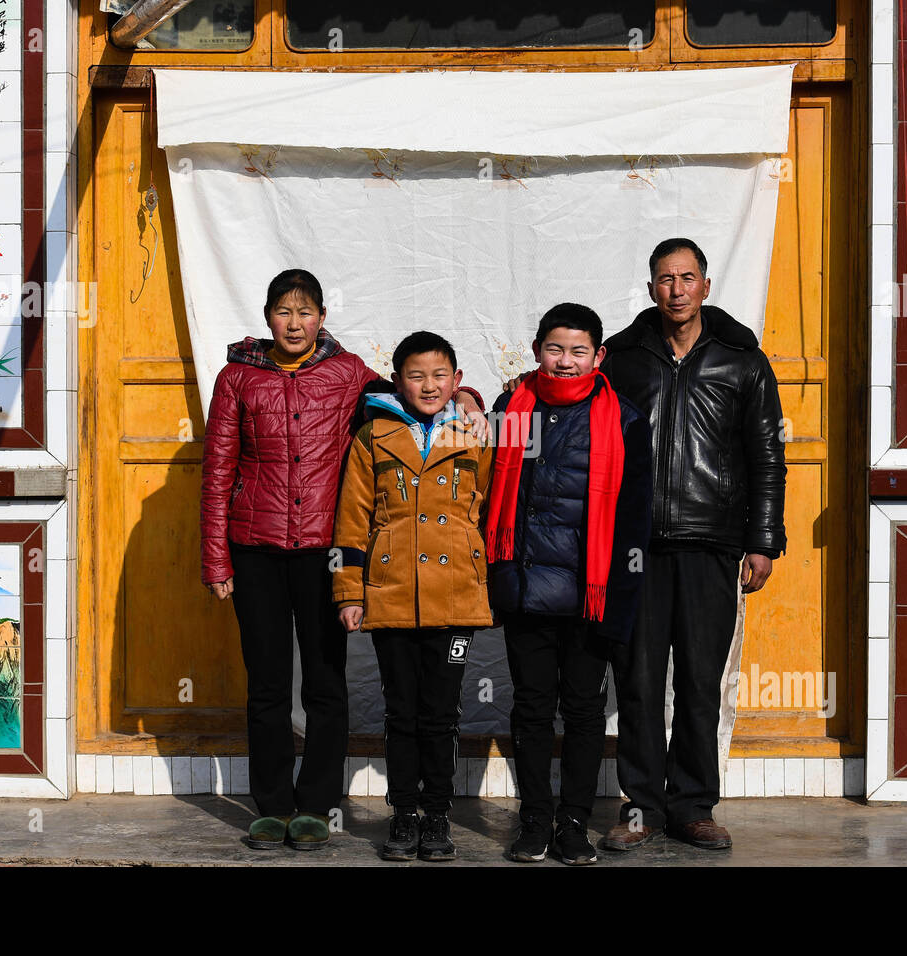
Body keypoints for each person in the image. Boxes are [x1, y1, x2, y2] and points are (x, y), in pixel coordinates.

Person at [200, 270, 484, 851]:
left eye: (306, 312)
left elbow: (406, 395)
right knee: (268, 684)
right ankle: (272, 805)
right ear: (268, 316)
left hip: (322, 551)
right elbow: (218, 467)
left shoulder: (347, 372)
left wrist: (466, 398)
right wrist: (216, 558)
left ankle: (317, 805)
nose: (296, 323)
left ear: (322, 316)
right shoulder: (237, 378)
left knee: (325, 684)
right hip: (254, 548)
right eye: (284, 311)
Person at [597, 238, 786, 852]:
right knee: (639, 682)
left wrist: (762, 541)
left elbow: (766, 457)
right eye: (664, 279)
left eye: (687, 277)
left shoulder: (743, 361)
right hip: (638, 545)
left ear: (706, 285)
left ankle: (693, 805)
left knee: (702, 681)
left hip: (712, 543)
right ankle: (642, 807)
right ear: (650, 287)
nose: (675, 289)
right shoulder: (621, 360)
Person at [486, 303, 652, 865]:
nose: (565, 361)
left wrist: (619, 601)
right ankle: (534, 820)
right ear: (536, 351)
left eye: (578, 351)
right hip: (528, 588)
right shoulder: (513, 408)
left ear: (598, 356)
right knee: (531, 708)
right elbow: (491, 491)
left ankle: (574, 822)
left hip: (591, 593)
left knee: (583, 711)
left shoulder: (625, 419)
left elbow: (634, 519)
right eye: (555, 349)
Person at [332, 331, 495, 862]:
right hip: (392, 595)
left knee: (443, 711)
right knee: (400, 711)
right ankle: (403, 814)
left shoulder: (475, 435)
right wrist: (348, 593)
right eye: (416, 375)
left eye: (440, 375)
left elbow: (493, 511)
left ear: (458, 380)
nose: (429, 385)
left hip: (454, 599)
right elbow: (351, 523)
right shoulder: (372, 437)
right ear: (397, 380)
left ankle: (438, 816)